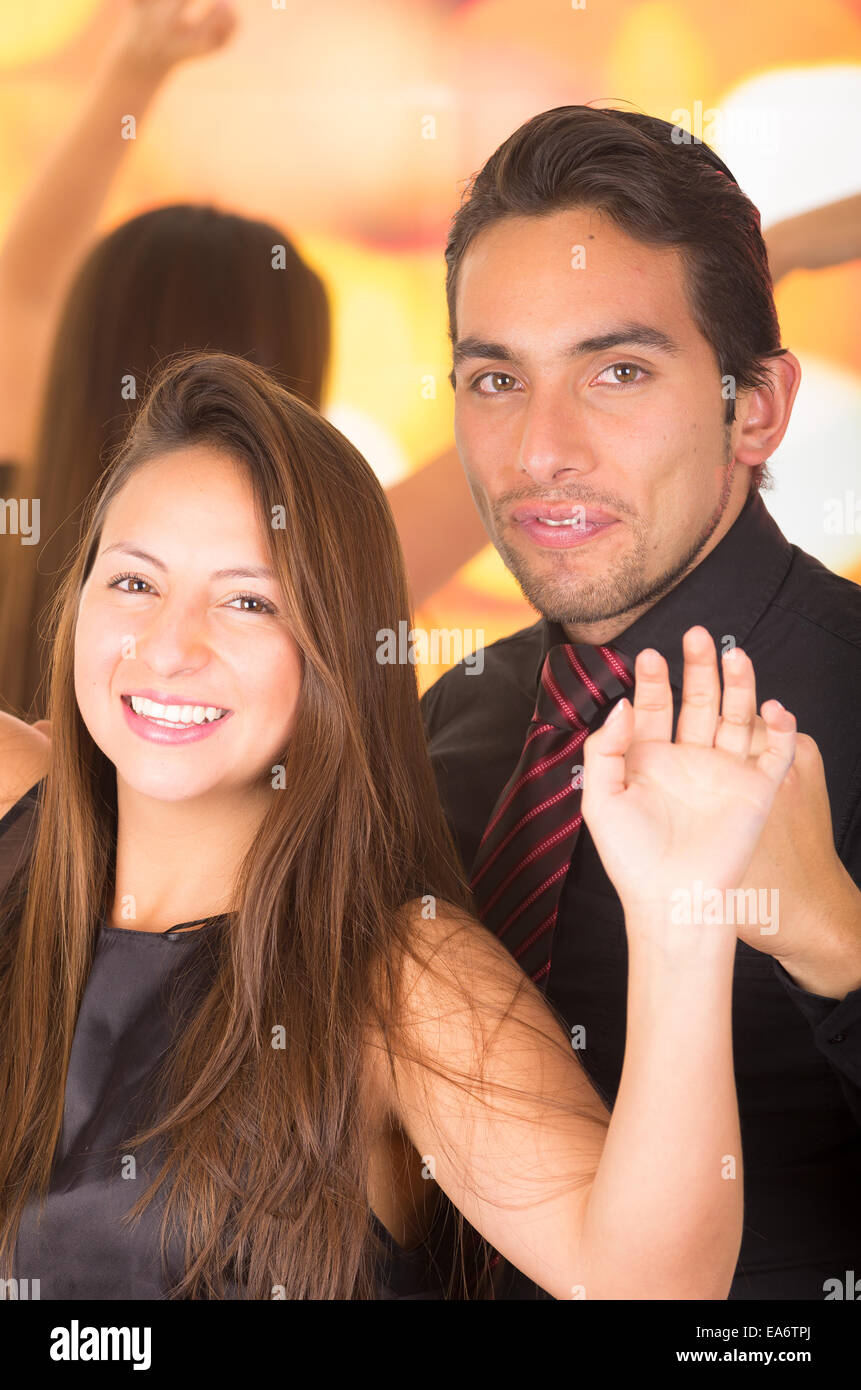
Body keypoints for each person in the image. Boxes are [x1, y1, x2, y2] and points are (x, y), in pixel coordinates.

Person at [0, 350, 797, 1300]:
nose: (169, 647)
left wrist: (681, 922)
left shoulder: (402, 981)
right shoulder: (17, 797)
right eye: (133, 583)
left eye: (250, 601)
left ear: (335, 650)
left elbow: (645, 1290)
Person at [420, 104, 861, 1300]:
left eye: (618, 371)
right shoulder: (453, 717)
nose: (540, 450)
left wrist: (832, 937)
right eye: (496, 377)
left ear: (755, 406)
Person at [0, 0, 486, 724]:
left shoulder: (16, 512)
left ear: (79, 338)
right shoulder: (323, 575)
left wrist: (138, 65)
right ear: (294, 382)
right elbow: (518, 445)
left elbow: (25, 291)